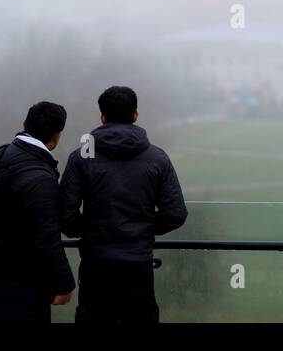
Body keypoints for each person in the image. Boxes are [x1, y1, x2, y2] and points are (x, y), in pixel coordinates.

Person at [59, 85, 188, 323]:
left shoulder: (81, 158)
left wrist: (90, 230)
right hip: (138, 263)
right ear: (136, 114)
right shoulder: (157, 158)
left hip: (96, 263)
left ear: (102, 117)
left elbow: (65, 216)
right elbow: (176, 214)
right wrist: (143, 227)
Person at [0, 101, 76, 323]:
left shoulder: (0, 154)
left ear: (24, 124)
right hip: (23, 283)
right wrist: (64, 284)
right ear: (57, 136)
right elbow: (46, 235)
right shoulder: (40, 176)